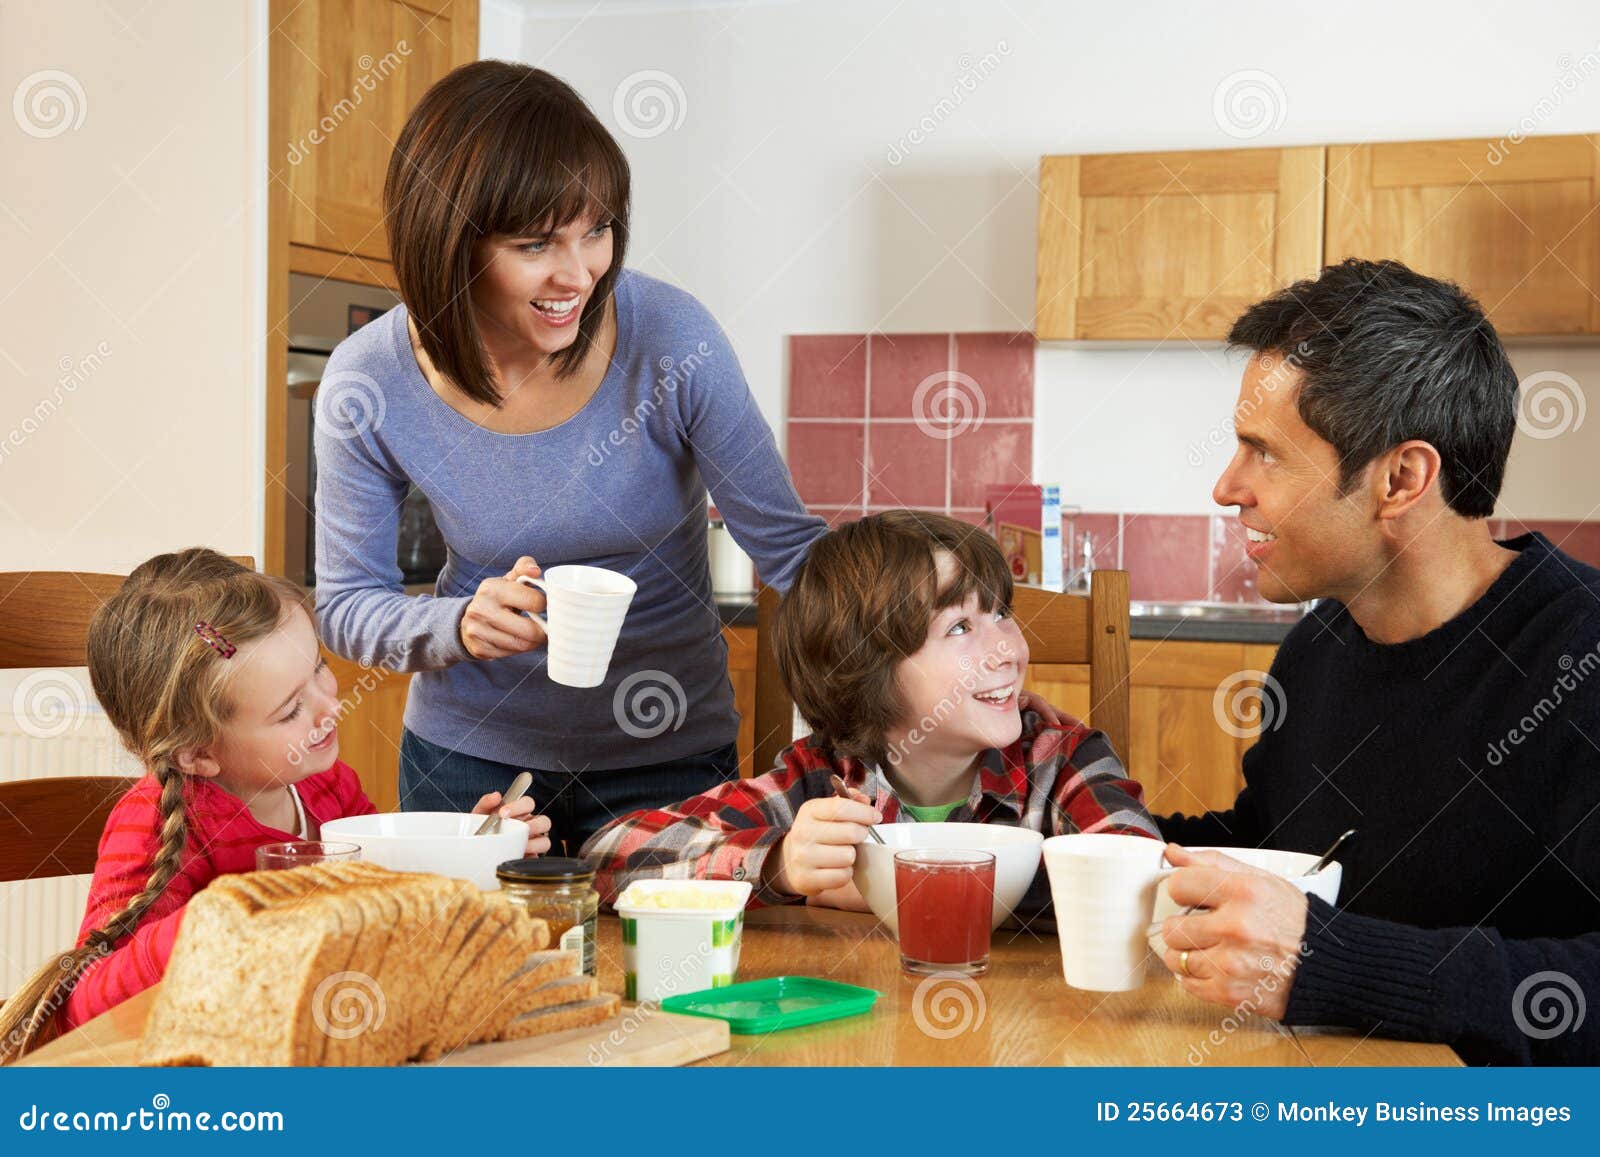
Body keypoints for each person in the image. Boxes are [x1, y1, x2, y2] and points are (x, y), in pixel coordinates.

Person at [312, 60, 828, 854]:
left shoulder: (671, 339)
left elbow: (792, 549)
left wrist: (930, 639)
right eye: (534, 243)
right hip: (469, 760)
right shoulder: (368, 380)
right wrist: (462, 625)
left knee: (668, 976)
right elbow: (346, 604)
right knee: (474, 974)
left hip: (669, 757)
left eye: (596, 229)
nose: (579, 271)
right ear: (450, 245)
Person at [1154, 259, 1599, 1065]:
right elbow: (1277, 846)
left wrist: (1332, 963)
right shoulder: (1316, 648)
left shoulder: (1584, 657)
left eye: (1265, 453)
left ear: (1400, 478)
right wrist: (1042, 831)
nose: (1227, 487)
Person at [0, 549, 546, 1063]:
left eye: (318, 670)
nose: (331, 706)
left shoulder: (325, 785)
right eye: (289, 712)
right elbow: (87, 1004)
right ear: (197, 753)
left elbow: (379, 890)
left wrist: (466, 850)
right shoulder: (155, 823)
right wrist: (231, 915)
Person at [581, 510, 1159, 908]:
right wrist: (778, 864)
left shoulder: (1062, 761)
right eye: (960, 626)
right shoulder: (818, 782)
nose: (1009, 649)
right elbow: (606, 858)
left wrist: (902, 891)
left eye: (1002, 613)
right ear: (868, 671)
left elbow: (1144, 882)